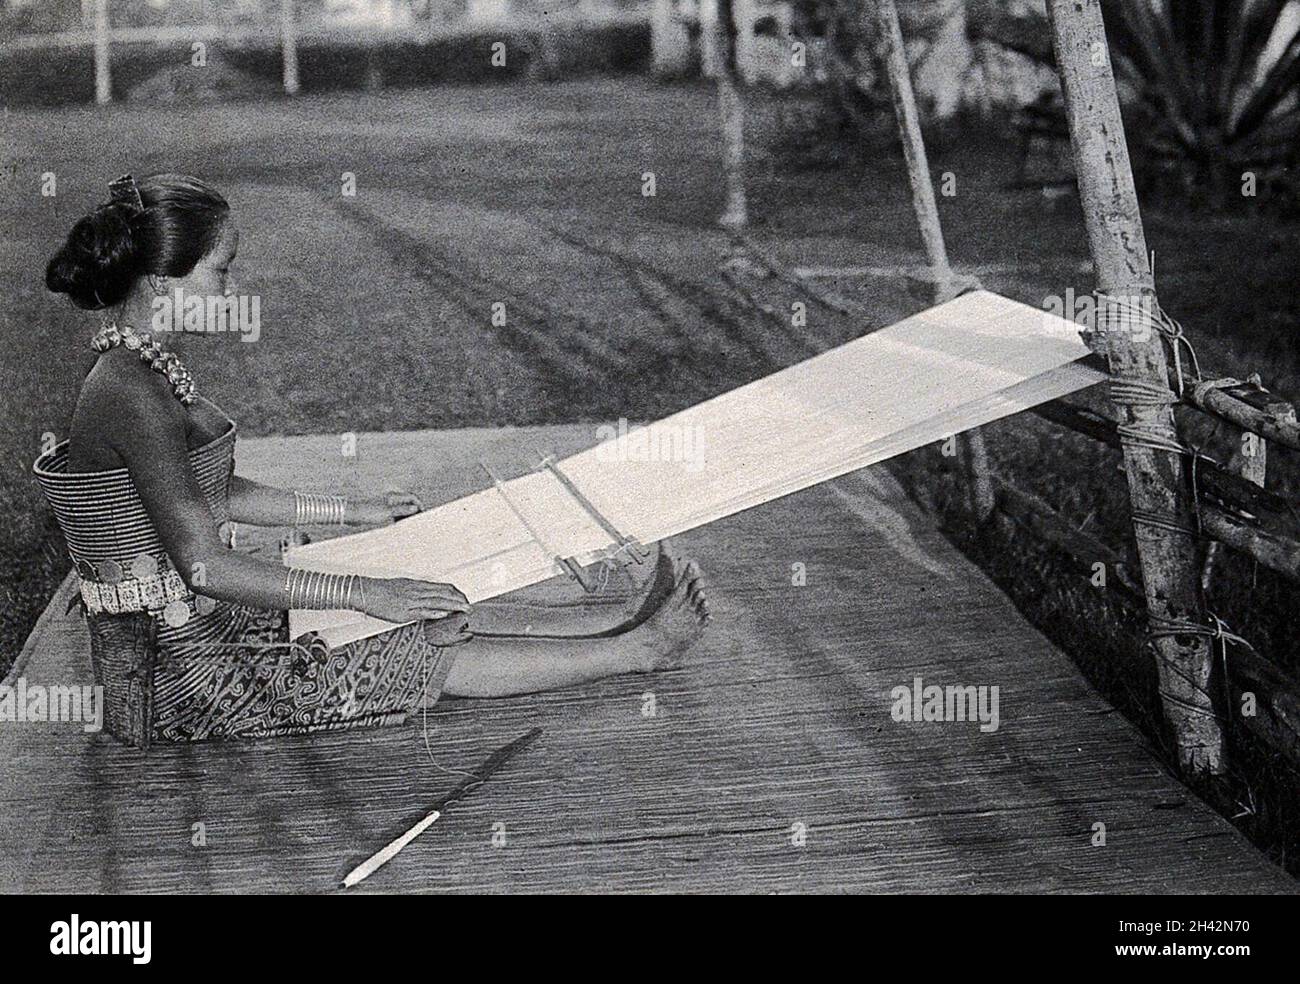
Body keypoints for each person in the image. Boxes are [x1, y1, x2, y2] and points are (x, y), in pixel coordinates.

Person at [36, 172, 708, 743]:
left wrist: (350, 512)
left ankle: (608, 622)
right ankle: (635, 652)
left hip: (192, 628)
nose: (230, 289)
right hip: (175, 677)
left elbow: (215, 492)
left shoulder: (142, 368)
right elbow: (206, 565)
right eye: (221, 271)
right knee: (415, 639)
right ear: (160, 282)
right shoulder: (130, 390)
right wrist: (367, 593)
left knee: (416, 594)